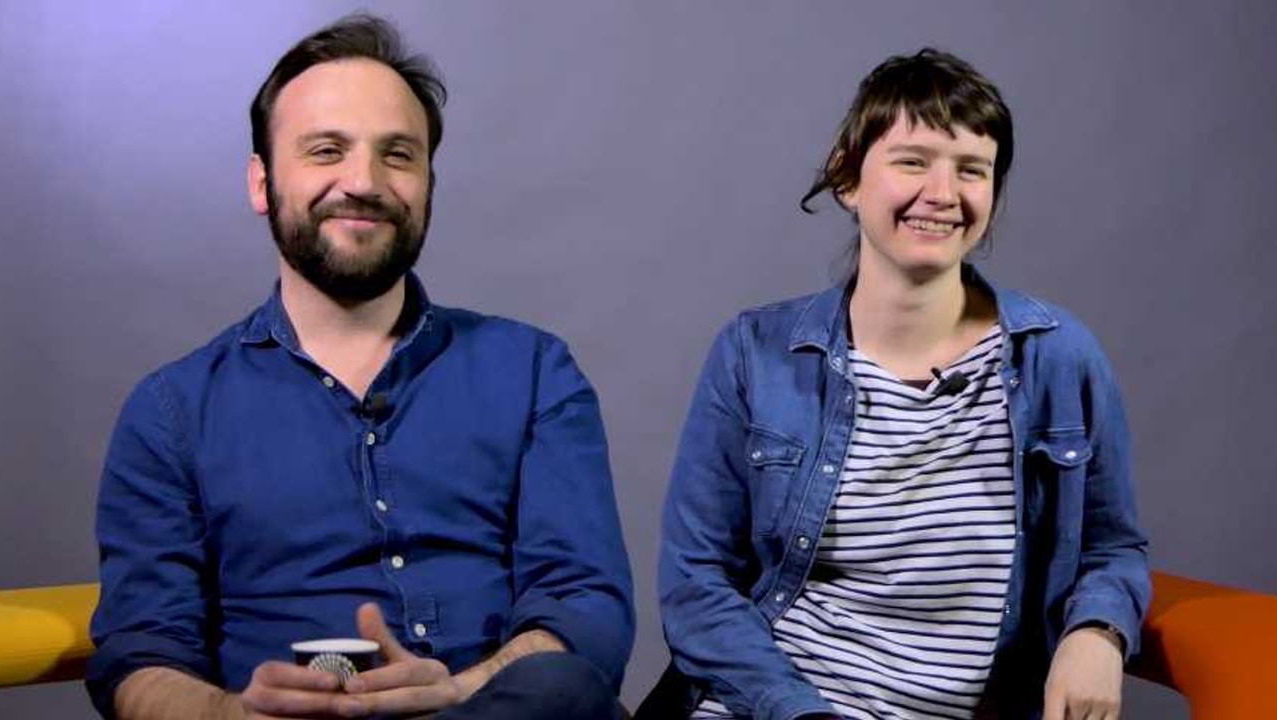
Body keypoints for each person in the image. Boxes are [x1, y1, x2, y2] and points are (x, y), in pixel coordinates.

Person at [86, 14, 632, 720]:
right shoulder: (171, 412)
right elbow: (139, 655)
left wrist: (457, 691)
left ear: (427, 183)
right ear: (262, 182)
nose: (363, 181)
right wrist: (234, 715)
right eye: (326, 150)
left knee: (559, 689)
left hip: (502, 711)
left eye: (397, 154)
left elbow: (585, 608)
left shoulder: (533, 372)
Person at [643, 49, 1149, 720]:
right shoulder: (754, 353)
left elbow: (1112, 547)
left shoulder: (1058, 358)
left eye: (971, 169)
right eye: (912, 161)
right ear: (846, 178)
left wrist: (1097, 632)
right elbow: (695, 582)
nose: (942, 193)